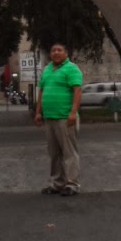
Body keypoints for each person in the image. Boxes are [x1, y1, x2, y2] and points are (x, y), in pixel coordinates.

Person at [35, 43, 83, 196]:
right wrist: (38, 112)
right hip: (50, 118)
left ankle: (72, 184)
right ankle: (57, 183)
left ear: (65, 53)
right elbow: (41, 91)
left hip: (65, 117)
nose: (56, 52)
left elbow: (77, 90)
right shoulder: (47, 70)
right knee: (54, 153)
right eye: (53, 50)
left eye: (59, 50)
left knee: (69, 152)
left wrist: (73, 113)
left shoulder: (71, 68)